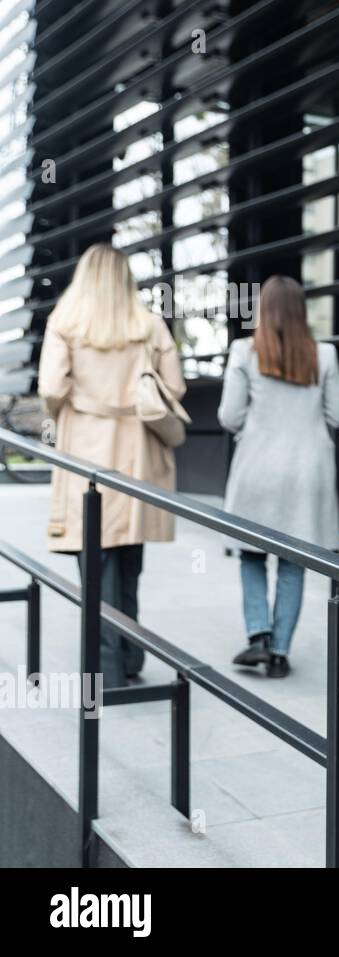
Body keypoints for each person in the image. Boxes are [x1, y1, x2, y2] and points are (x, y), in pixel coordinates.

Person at [37, 243, 186, 688]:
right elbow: (174, 387)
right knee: (128, 560)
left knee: (94, 564)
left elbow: (50, 388)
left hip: (85, 455)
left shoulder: (64, 324)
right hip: (135, 454)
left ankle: (105, 666)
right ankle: (132, 656)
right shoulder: (149, 325)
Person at [218, 276, 339, 678]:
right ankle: (279, 654)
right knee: (294, 562)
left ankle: (257, 636)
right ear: (301, 311)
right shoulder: (323, 354)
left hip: (257, 468)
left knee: (252, 552)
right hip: (307, 474)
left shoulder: (244, 350)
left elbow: (229, 416)